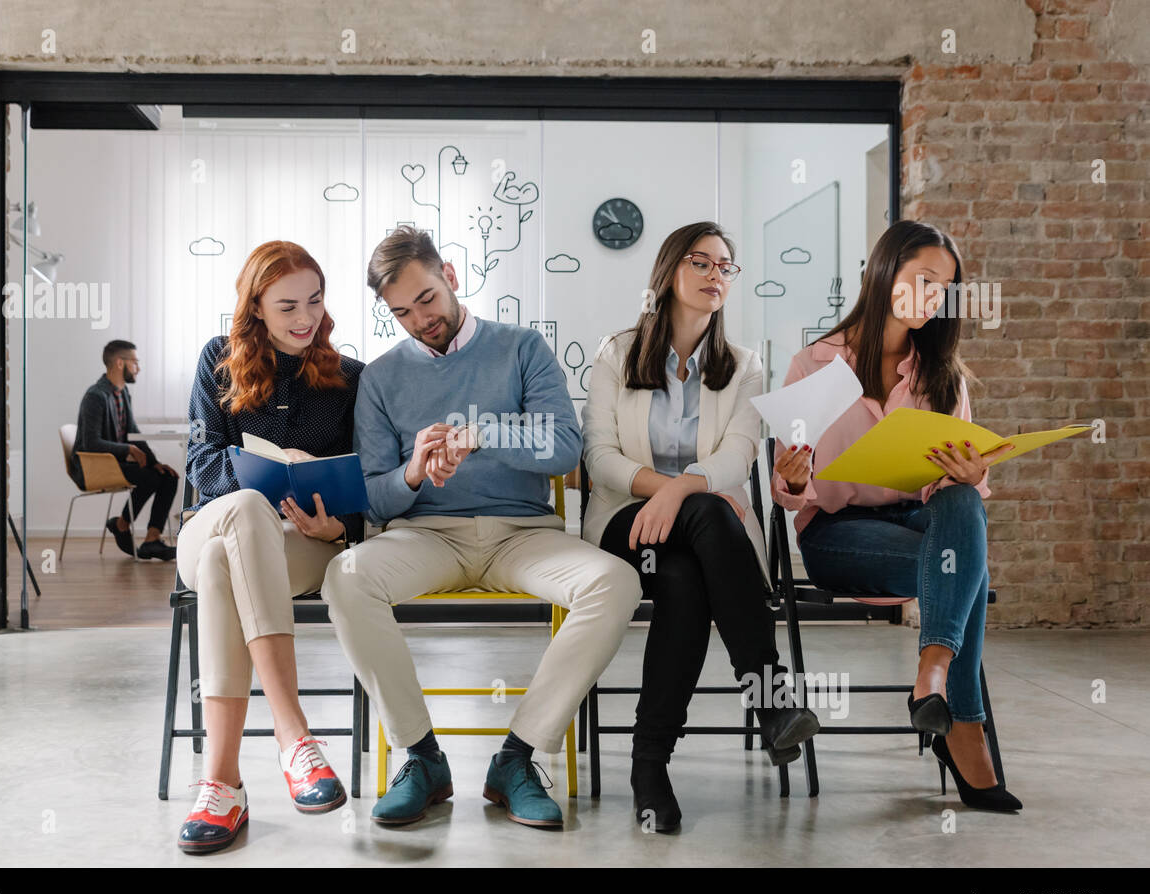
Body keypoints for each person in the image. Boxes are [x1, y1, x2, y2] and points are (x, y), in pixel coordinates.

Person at [321, 226, 642, 830]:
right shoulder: (382, 378)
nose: (420, 319)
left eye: (427, 300)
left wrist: (484, 430)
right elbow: (371, 498)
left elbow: (565, 448)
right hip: (426, 537)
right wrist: (413, 471)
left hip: (524, 534)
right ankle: (421, 758)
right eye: (401, 313)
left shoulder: (522, 348)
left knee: (616, 582)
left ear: (450, 276)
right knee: (347, 574)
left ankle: (517, 758)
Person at [770, 220, 1021, 812]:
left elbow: (969, 486)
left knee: (961, 503)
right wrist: (794, 477)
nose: (933, 298)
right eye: (924, 280)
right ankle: (962, 725)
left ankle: (931, 672)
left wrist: (970, 473)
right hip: (838, 532)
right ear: (885, 274)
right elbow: (789, 489)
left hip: (925, 517)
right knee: (967, 570)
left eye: (944, 289)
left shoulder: (942, 374)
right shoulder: (815, 364)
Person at [582, 221, 820, 833]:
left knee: (686, 576)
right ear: (668, 273)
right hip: (624, 528)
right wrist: (672, 495)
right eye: (702, 262)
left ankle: (649, 768)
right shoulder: (615, 352)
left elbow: (739, 453)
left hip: (700, 539)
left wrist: (683, 492)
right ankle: (770, 698)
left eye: (725, 267)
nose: (717, 275)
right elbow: (601, 459)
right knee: (708, 510)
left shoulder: (744, 366)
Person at [174, 240, 365, 853]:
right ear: (255, 306)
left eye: (314, 300)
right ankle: (294, 737)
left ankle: (221, 786)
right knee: (240, 515)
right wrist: (258, 475)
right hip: (213, 519)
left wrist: (337, 527)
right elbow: (201, 464)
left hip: (302, 545)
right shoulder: (217, 360)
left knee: (220, 563)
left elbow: (363, 485)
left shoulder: (348, 378)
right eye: (287, 305)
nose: (305, 317)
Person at [69, 339, 179, 560]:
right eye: (135, 362)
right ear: (120, 363)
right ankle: (121, 524)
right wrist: (127, 449)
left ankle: (151, 540)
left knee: (167, 477)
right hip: (95, 466)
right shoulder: (95, 396)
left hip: (116, 462)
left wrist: (154, 462)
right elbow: (91, 443)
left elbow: (132, 431)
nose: (138, 367)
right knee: (151, 479)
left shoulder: (122, 393)